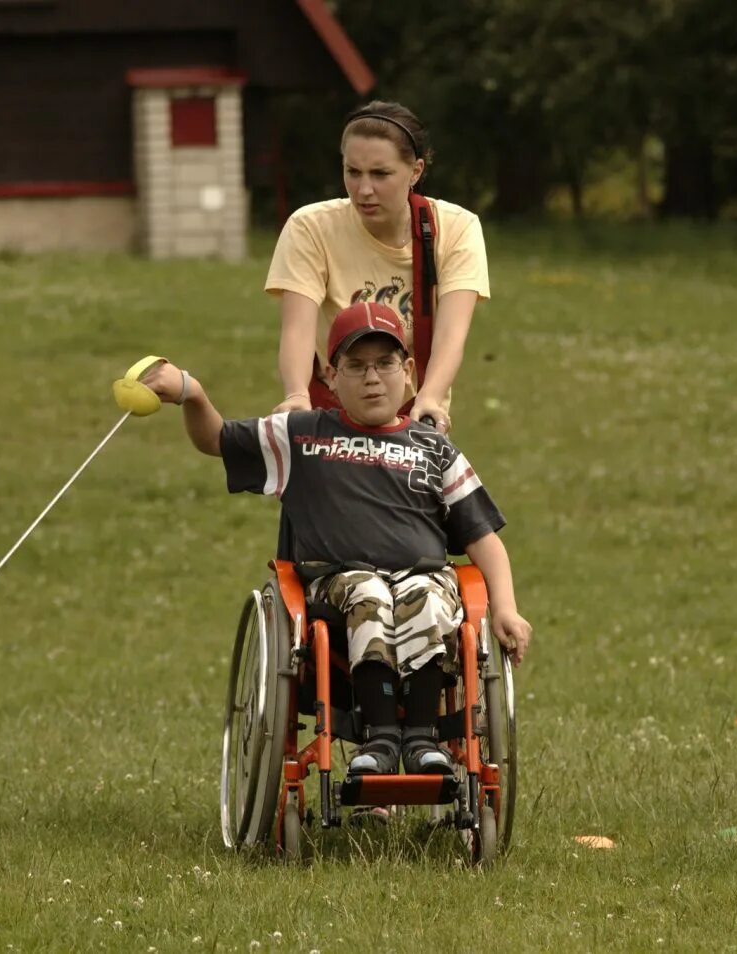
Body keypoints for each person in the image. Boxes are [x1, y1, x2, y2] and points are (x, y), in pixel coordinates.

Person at [140, 301, 531, 780]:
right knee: (368, 591)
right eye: (356, 366)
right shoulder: (302, 437)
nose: (372, 378)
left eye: (385, 363)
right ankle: (382, 739)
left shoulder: (435, 450)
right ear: (330, 375)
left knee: (427, 594)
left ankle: (423, 738)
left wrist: (506, 609)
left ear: (408, 372)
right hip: (335, 587)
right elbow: (217, 440)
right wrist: (191, 393)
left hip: (422, 579)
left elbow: (483, 539)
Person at [265, 100, 489, 435]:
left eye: (380, 174)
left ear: (415, 171)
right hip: (333, 410)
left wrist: (430, 398)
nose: (364, 190)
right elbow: (298, 327)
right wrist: (296, 395)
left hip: (412, 416)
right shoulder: (310, 227)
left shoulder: (456, 228)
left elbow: (451, 335)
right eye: (353, 172)